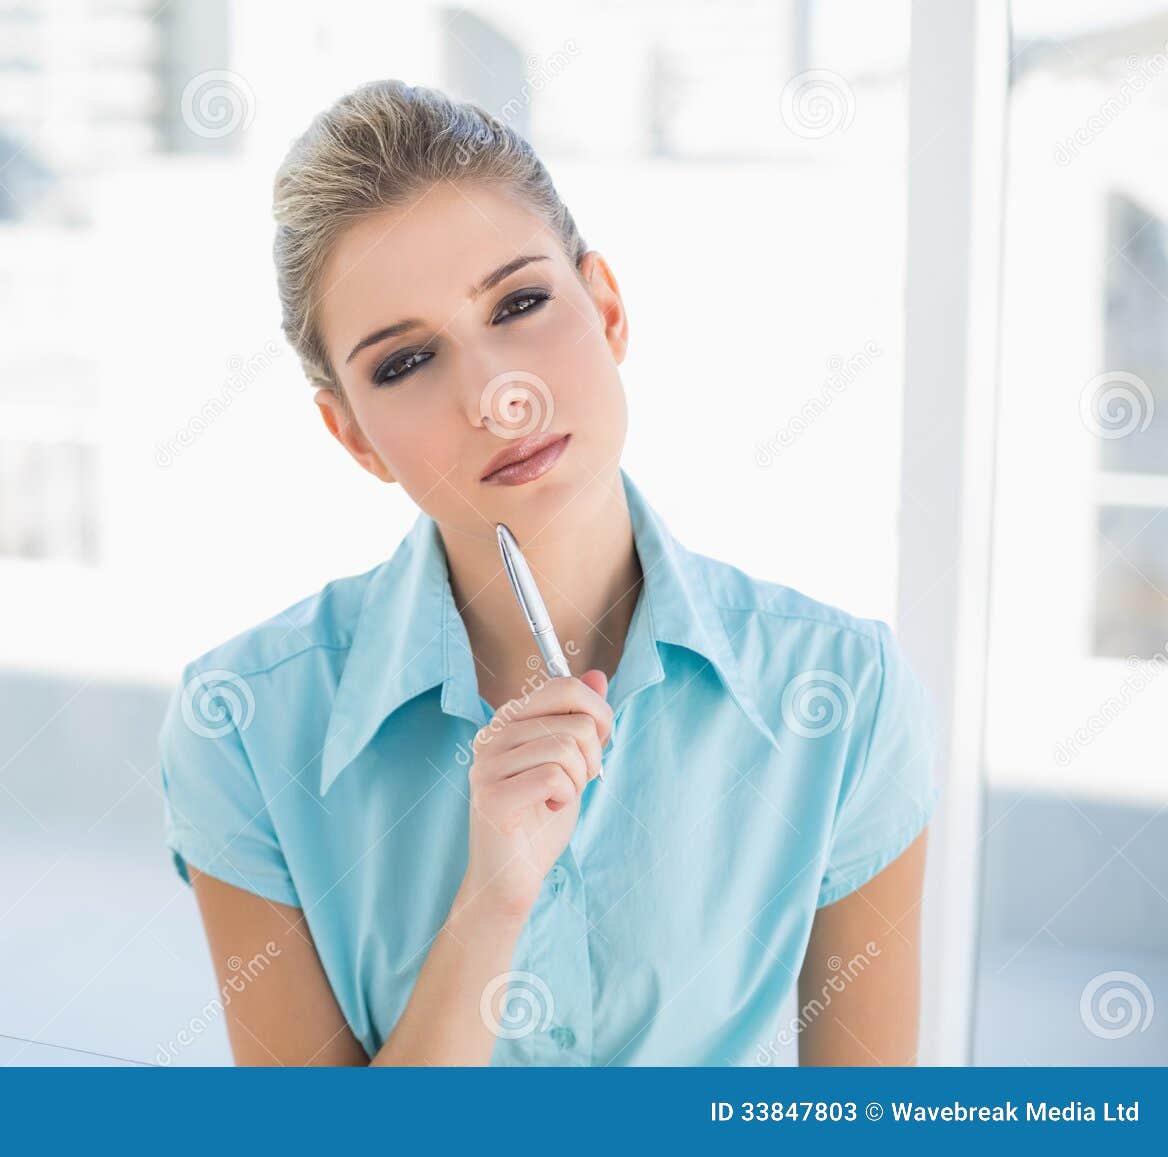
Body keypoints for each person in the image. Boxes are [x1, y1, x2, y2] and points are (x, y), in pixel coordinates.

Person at [156, 79, 941, 1066]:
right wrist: (493, 897)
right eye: (405, 362)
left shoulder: (845, 698)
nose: (498, 396)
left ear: (605, 306)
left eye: (520, 302)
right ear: (351, 432)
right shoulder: (242, 726)